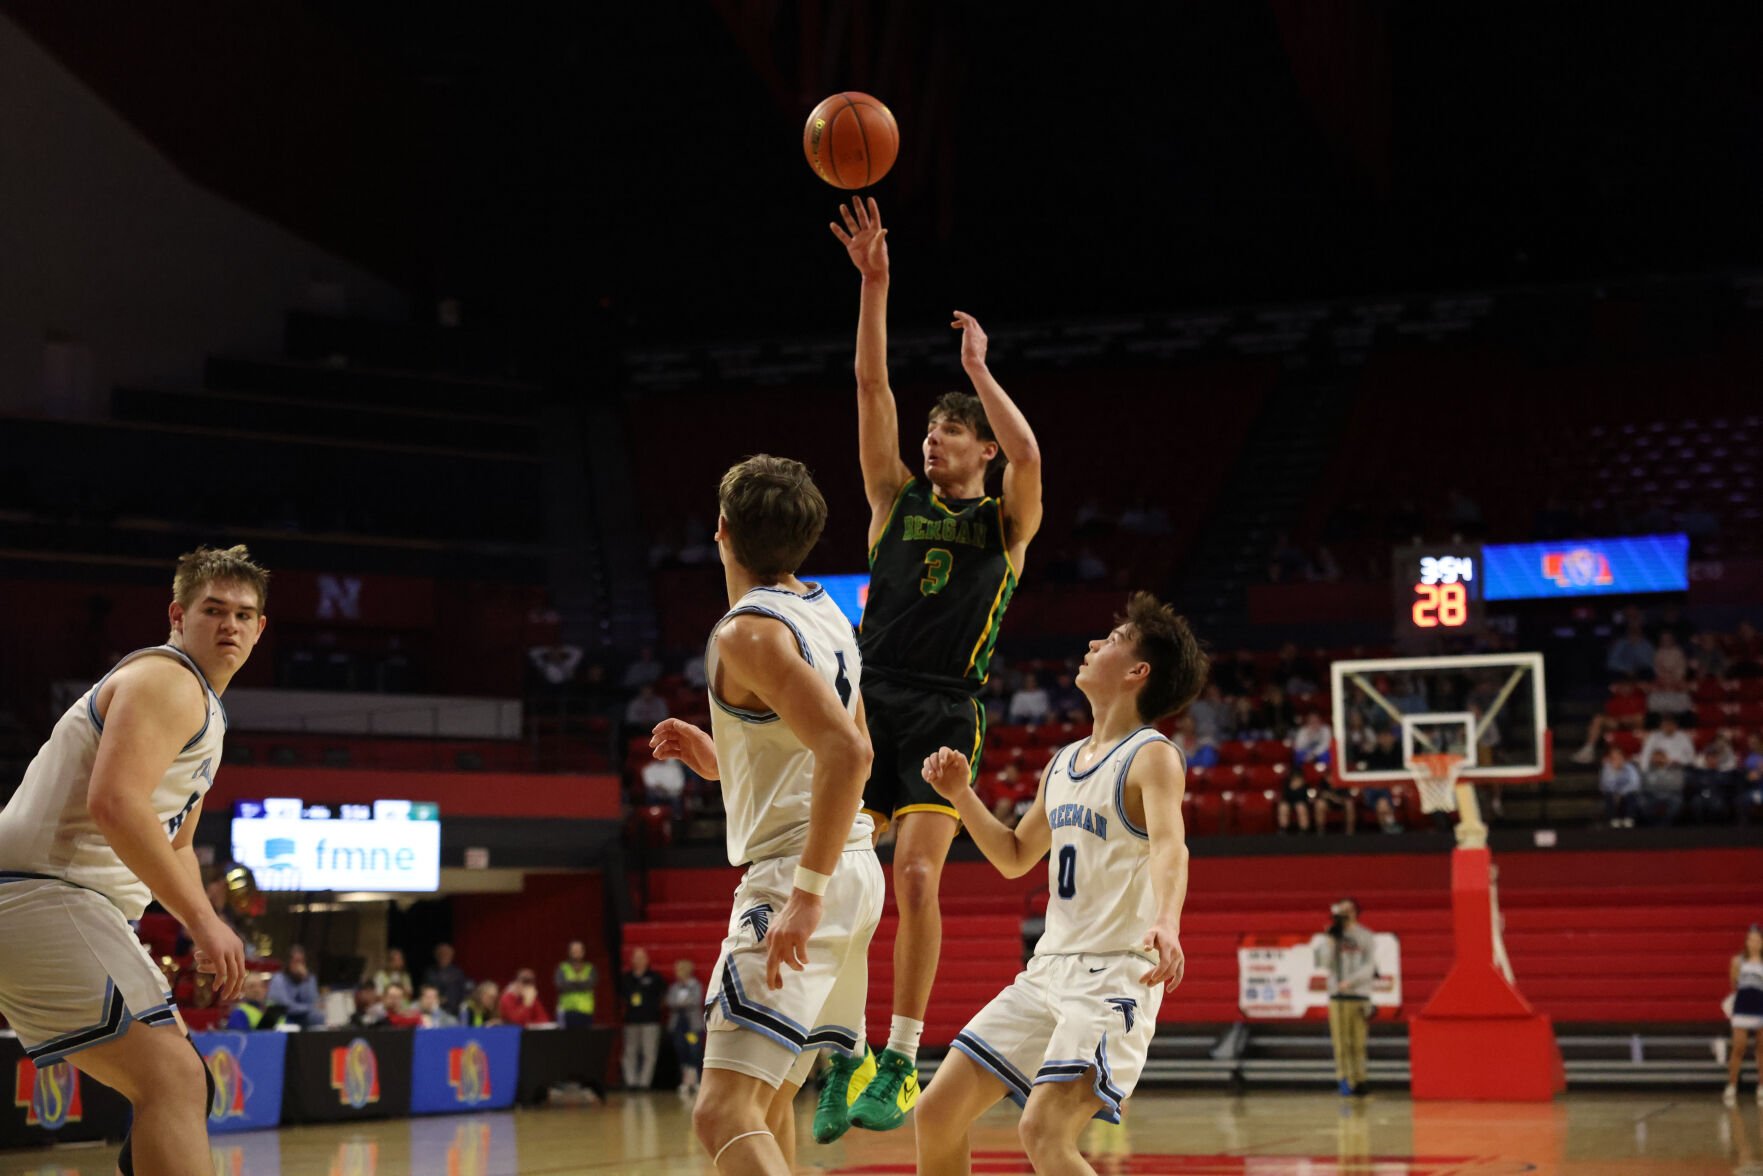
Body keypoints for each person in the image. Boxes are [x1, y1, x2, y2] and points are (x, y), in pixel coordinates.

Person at [829, 195, 1045, 1132]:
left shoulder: (1005, 523)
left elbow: (1032, 450)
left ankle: (900, 1056)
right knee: (842, 880)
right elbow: (870, 391)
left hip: (945, 710)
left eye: (952, 432)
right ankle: (833, 1052)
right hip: (863, 704)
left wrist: (978, 371)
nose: (933, 438)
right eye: (933, 430)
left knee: (915, 880)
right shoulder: (890, 499)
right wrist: (875, 287)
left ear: (982, 450)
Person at [913, 592, 1203, 1175]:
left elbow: (1172, 845)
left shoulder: (1152, 756)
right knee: (935, 1112)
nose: (1094, 645)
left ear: (1137, 672)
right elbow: (1016, 856)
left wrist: (1167, 921)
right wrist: (961, 796)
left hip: (1115, 974)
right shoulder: (1064, 761)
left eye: (1113, 641)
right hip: (1048, 971)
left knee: (1044, 1130)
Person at [647, 454, 882, 1170]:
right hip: (848, 866)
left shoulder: (745, 633)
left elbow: (848, 754)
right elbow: (839, 745)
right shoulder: (825, 610)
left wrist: (804, 896)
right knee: (770, 1102)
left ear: (720, 531)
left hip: (797, 879)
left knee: (721, 1110)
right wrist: (723, 761)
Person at [0, 546, 264, 1176]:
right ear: (178, 615)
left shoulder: (206, 711)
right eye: (213, 610)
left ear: (260, 629)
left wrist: (201, 919)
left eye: (244, 614)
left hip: (49, 898)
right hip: (41, 891)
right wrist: (204, 924)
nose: (229, 624)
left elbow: (173, 843)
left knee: (181, 1081)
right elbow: (115, 804)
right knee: (173, 1079)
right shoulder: (166, 679)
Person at [1317, 898, 1377, 1097]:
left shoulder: (1365, 935)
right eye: (1341, 911)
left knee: (1358, 1043)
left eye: (1348, 910)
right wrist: (1330, 942)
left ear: (1355, 913)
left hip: (1358, 996)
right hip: (1337, 998)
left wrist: (1351, 982)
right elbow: (1323, 962)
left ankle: (1360, 1080)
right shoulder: (1332, 935)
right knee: (1340, 1043)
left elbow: (1369, 966)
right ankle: (1343, 1080)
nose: (1344, 914)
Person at [1724, 926, 1763, 1107]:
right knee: (1738, 1047)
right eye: (1750, 939)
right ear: (1746, 942)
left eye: (1757, 939)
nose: (1753, 943)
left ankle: (1761, 1087)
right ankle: (1732, 1085)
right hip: (1742, 1007)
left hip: (1761, 1006)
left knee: (1761, 1049)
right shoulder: (1737, 961)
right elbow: (1734, 984)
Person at [619, 947, 666, 1090]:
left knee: (649, 1053)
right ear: (632, 960)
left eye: (641, 957)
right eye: (636, 957)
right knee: (630, 1052)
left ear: (647, 960)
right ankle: (631, 1082)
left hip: (650, 1021)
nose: (638, 960)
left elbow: (662, 997)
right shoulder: (626, 978)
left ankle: (644, 1083)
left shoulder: (655, 978)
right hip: (631, 1021)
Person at [667, 958, 706, 1097]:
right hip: (678, 1025)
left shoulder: (695, 986)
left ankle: (695, 1080)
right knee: (681, 1050)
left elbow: (695, 1000)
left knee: (694, 1051)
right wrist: (682, 1003)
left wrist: (681, 1003)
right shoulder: (674, 987)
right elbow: (670, 1001)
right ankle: (685, 1080)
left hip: (692, 1025)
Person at [268, 943, 321, 1027]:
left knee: (319, 1017)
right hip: (284, 1017)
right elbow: (285, 1007)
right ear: (288, 963)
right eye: (296, 961)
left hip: (304, 1016)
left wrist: (305, 980)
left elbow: (313, 1001)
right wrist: (308, 1008)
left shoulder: (309, 978)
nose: (299, 966)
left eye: (302, 962)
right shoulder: (279, 979)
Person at [556, 939, 598, 1028]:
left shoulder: (590, 968)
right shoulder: (562, 968)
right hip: (568, 1011)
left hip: (586, 1011)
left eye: (578, 950)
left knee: (585, 1040)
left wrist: (571, 982)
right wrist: (581, 982)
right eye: (574, 950)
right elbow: (561, 985)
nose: (576, 953)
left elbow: (590, 984)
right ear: (569, 952)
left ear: (583, 952)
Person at [1599, 746, 1643, 827]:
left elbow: (1635, 784)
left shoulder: (1630, 767)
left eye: (1619, 756)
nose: (1617, 759)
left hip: (1626, 793)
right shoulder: (1607, 768)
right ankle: (1613, 819)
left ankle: (1629, 819)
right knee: (1609, 795)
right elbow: (1605, 784)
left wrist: (1621, 793)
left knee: (1632, 795)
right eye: (1614, 757)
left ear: (1623, 757)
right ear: (1610, 758)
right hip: (1612, 793)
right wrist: (1614, 772)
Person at [422, 942, 469, 1012]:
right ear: (436, 956)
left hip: (455, 1010)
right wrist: (439, 999)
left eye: (447, 954)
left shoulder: (458, 973)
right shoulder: (430, 972)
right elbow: (425, 990)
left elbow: (463, 993)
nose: (444, 956)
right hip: (435, 1010)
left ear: (451, 956)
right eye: (441, 954)